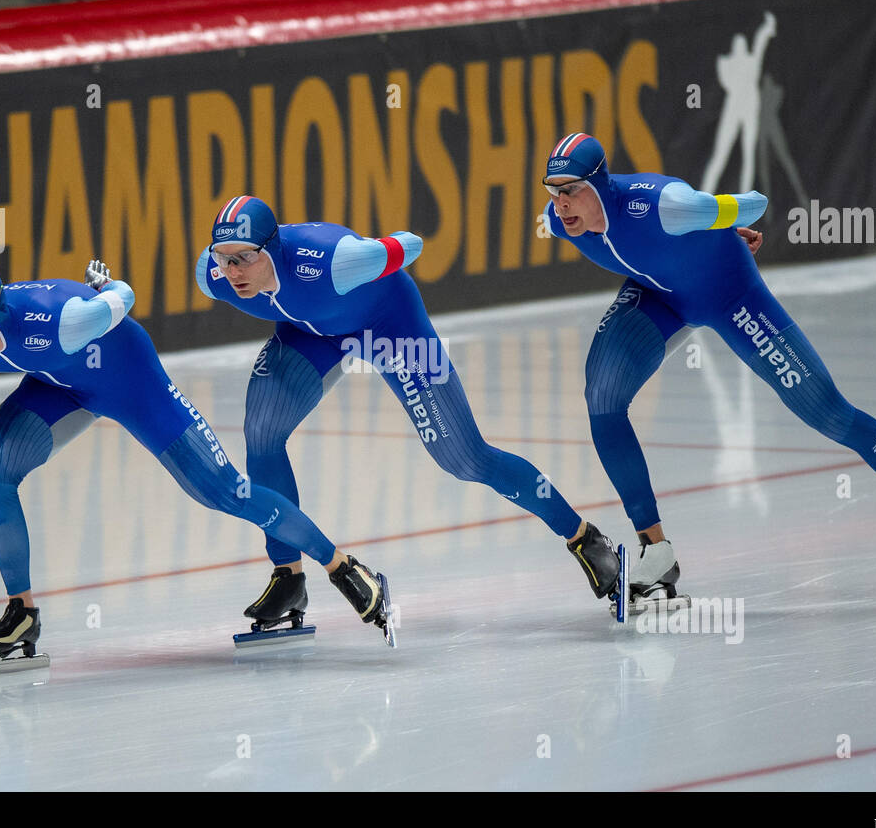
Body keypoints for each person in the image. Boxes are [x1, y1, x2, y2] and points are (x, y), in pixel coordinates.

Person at [539, 132, 876, 604]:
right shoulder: (562, 222)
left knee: (829, 413)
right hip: (659, 297)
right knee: (602, 396)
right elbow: (637, 250)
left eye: (571, 191)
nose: (560, 206)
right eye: (553, 193)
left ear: (599, 184)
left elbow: (754, 204)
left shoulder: (667, 206)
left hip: (732, 298)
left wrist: (716, 222)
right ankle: (655, 549)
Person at [195, 195, 627, 628]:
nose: (232, 272)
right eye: (224, 259)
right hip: (312, 333)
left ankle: (583, 536)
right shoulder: (212, 275)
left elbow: (411, 244)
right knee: (263, 431)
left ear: (272, 249)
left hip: (389, 325)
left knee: (465, 458)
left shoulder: (334, 262)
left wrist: (377, 248)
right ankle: (288, 576)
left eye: (245, 259)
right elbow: (222, 267)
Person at [0, 260, 394, 661]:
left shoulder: (61, 322)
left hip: (131, 382)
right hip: (60, 385)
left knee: (226, 491)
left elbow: (124, 296)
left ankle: (344, 567)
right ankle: (21, 612)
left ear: (0, 317)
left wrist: (105, 289)